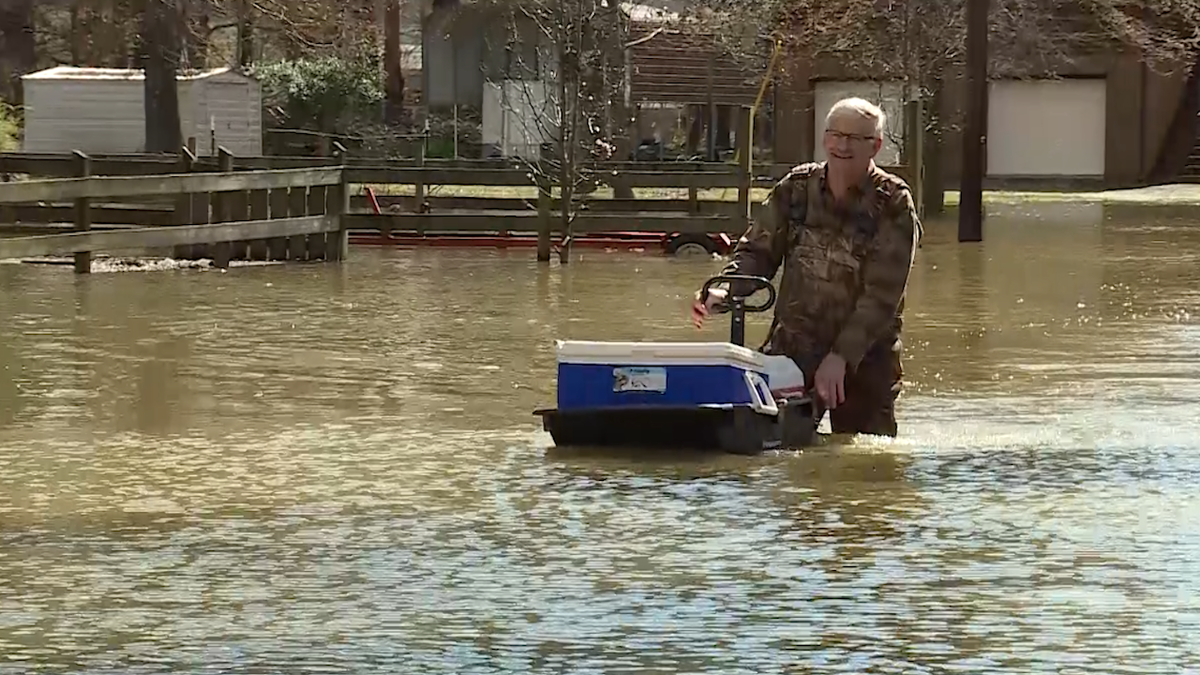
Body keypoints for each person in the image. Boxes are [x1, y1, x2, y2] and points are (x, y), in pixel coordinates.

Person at [689, 97, 921, 437]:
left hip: (865, 360)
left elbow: (881, 298)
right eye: (835, 135)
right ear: (825, 138)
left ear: (876, 145)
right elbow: (757, 251)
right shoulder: (795, 189)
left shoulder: (894, 204)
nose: (842, 145)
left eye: (854, 138)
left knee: (864, 470)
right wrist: (725, 289)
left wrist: (841, 357)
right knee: (773, 460)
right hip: (792, 350)